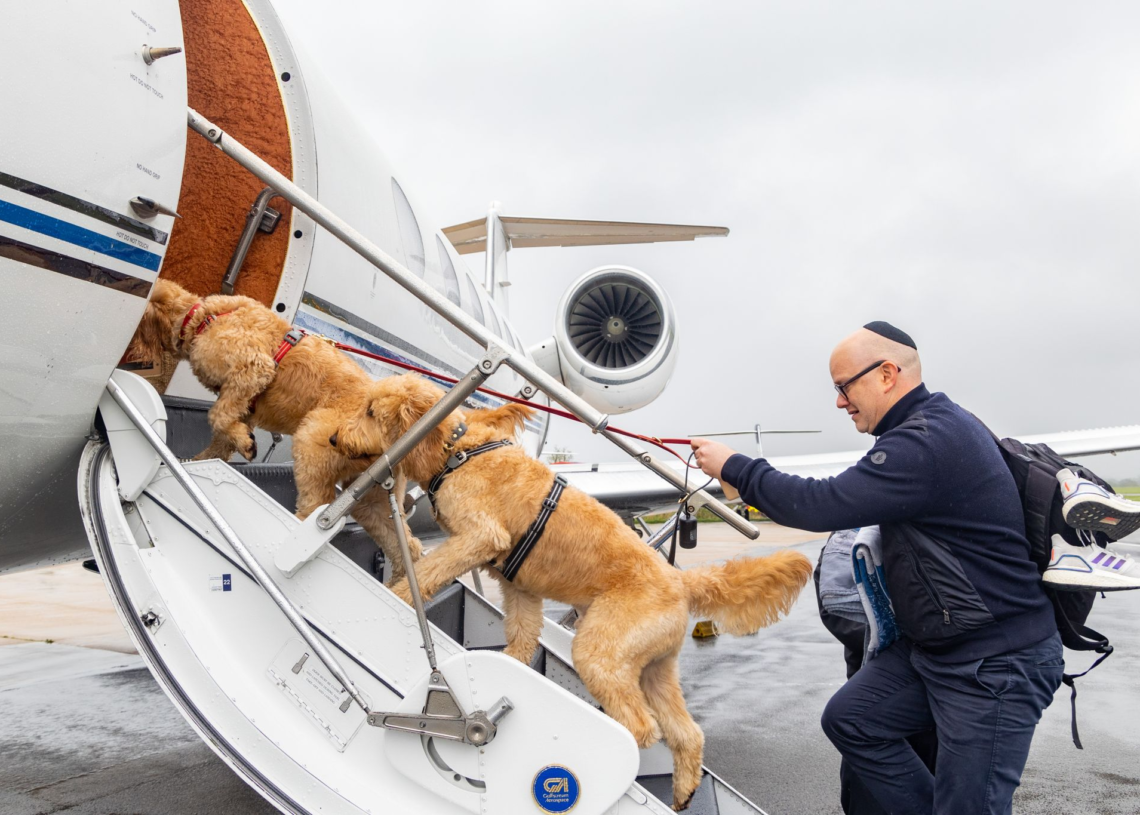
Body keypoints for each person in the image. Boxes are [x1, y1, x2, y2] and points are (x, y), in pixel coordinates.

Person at [691, 321, 1064, 815]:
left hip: (994, 663)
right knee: (853, 720)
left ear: (887, 374)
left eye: (844, 387)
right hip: (940, 652)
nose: (840, 402)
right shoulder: (933, 426)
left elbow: (820, 504)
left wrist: (735, 466)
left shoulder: (926, 442)